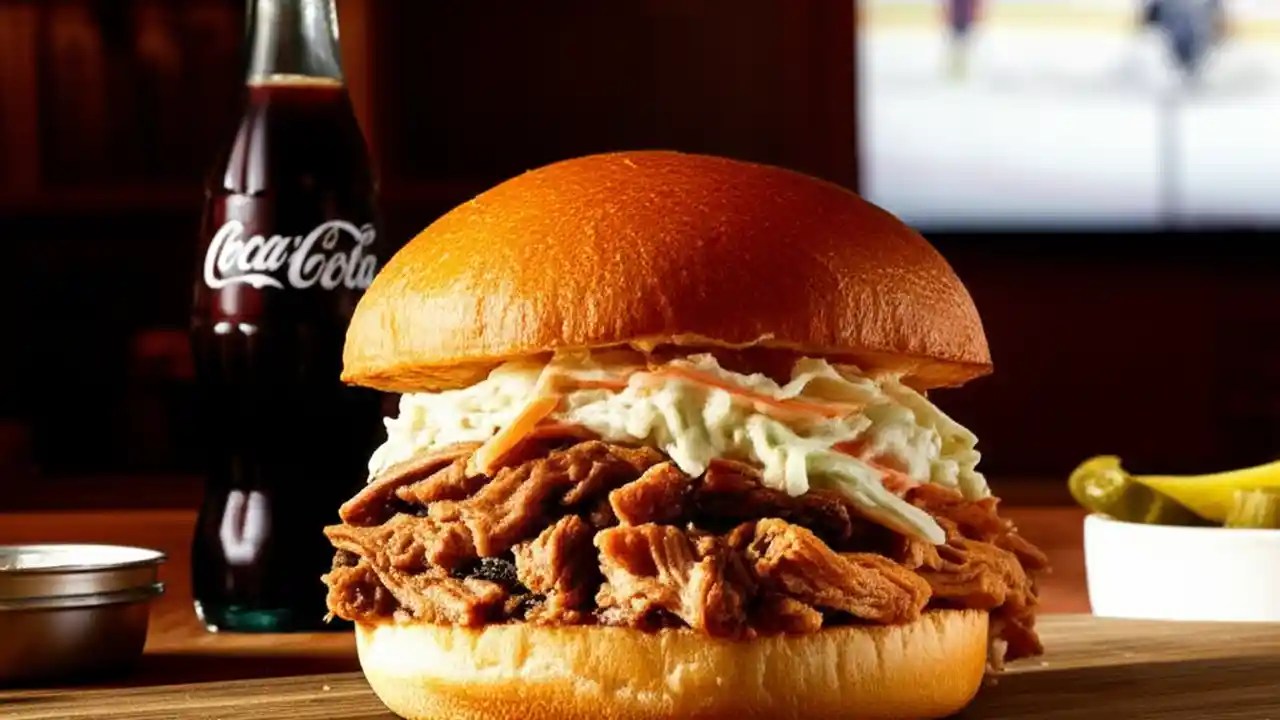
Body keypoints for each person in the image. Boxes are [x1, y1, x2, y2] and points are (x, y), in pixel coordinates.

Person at [944, 0, 981, 79]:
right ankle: (956, 67)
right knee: (957, 46)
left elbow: (976, 5)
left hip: (965, 21)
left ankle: (962, 67)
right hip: (956, 21)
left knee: (964, 47)